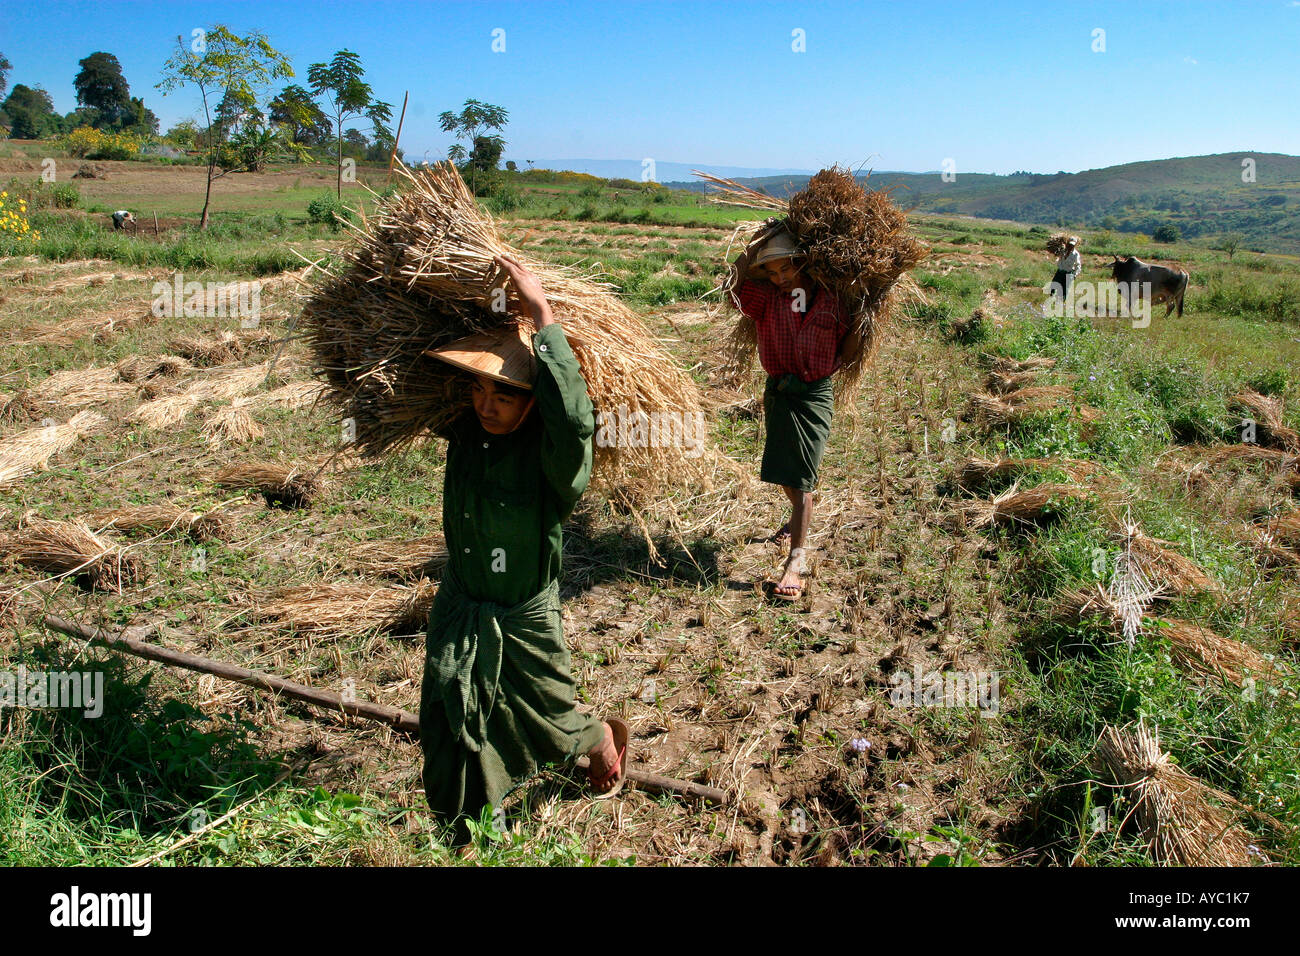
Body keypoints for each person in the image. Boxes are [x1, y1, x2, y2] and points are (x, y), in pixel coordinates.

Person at [419, 254, 627, 846]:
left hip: (523, 615)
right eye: (479, 390)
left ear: (533, 403)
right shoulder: (465, 432)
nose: (488, 404)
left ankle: (597, 739)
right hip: (462, 603)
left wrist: (542, 314)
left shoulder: (552, 463)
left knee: (549, 719)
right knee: (451, 711)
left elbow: (575, 421)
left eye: (506, 395)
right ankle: (476, 822)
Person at [729, 224, 853, 601]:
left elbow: (849, 346)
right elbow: (733, 286)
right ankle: (795, 519)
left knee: (801, 481)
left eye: (786, 269)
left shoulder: (834, 300)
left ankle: (794, 564)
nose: (780, 278)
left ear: (804, 263)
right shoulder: (766, 300)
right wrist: (758, 242)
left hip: (814, 394)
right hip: (780, 393)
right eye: (772, 271)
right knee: (787, 474)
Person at [1049, 236, 1082, 306]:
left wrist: (1075, 274)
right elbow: (1057, 256)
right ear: (1067, 244)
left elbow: (1078, 266)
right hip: (1060, 271)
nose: (1071, 246)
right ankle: (1051, 298)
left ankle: (1061, 302)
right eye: (1070, 244)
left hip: (1069, 273)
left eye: (1072, 245)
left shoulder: (1076, 254)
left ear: (1075, 245)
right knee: (1053, 285)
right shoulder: (1062, 251)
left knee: (1065, 289)